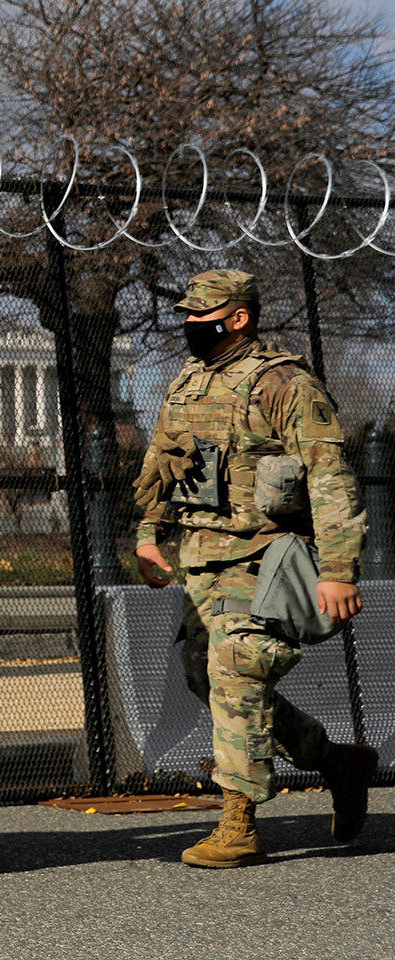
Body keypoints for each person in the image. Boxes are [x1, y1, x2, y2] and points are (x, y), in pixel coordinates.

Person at [132, 269, 375, 866]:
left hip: (265, 556)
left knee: (237, 667)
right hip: (200, 559)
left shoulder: (286, 384)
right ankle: (335, 760)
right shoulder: (188, 382)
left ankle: (238, 822)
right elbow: (162, 462)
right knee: (204, 676)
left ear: (238, 317)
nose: (189, 324)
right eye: (186, 314)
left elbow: (329, 475)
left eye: (201, 314)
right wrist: (147, 533)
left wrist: (339, 567)